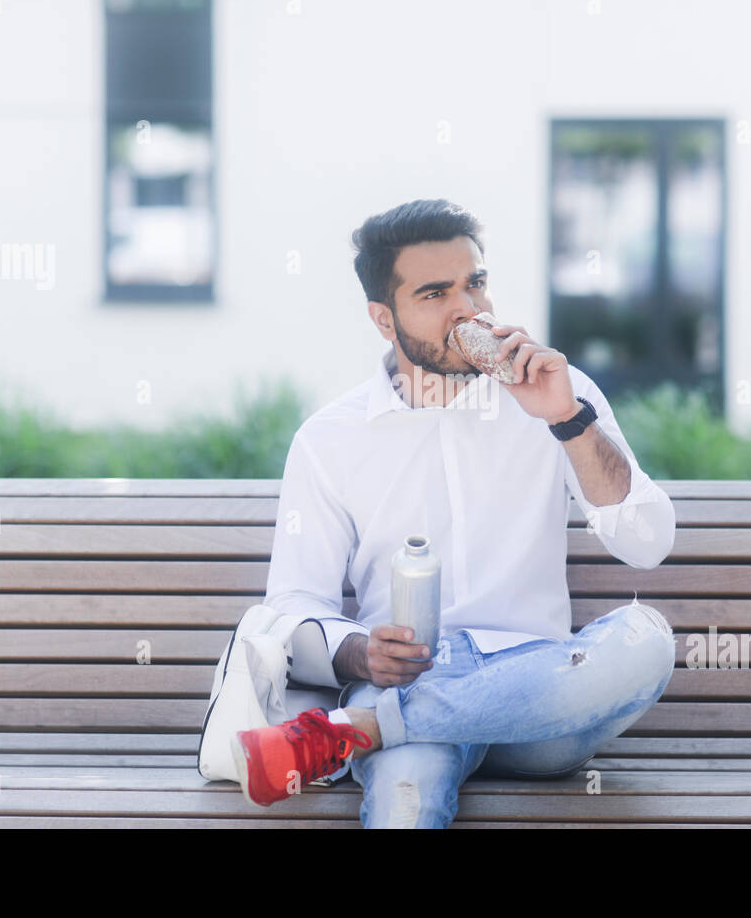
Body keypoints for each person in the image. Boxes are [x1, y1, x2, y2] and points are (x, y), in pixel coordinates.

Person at [233, 199, 678, 827]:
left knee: (647, 641)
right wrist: (360, 654)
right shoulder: (328, 439)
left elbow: (647, 544)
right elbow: (292, 607)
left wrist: (566, 419)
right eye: (436, 293)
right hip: (405, 681)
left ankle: (358, 730)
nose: (467, 308)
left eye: (476, 283)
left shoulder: (558, 392)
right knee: (404, 798)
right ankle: (387, 724)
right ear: (384, 320)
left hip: (539, 698)